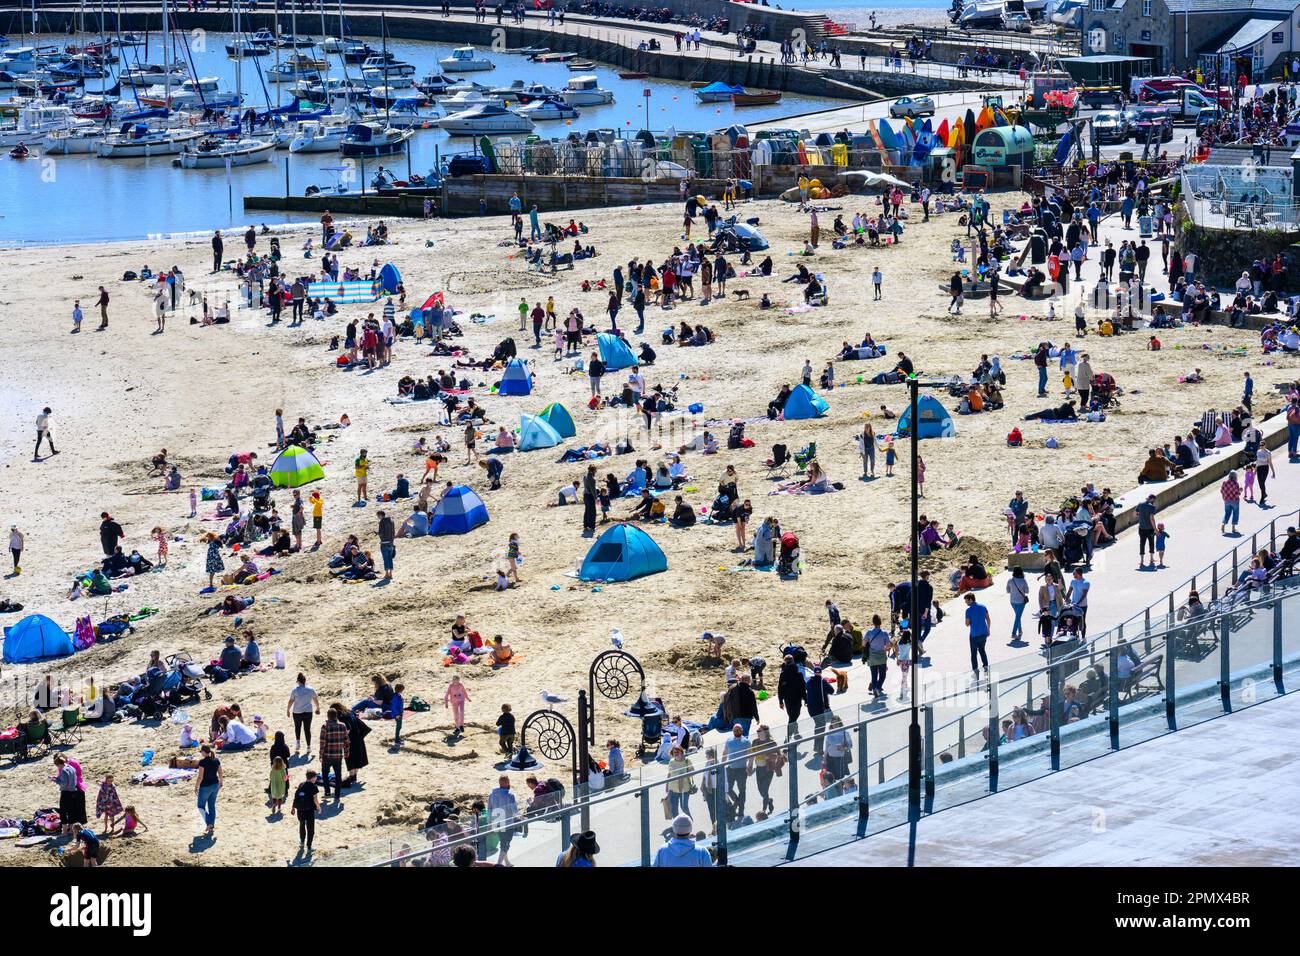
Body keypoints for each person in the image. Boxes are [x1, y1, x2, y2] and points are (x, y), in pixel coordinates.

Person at [318, 709, 350, 800]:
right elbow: (346, 741)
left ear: (328, 716)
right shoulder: (343, 726)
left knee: (325, 773)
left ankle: (327, 791)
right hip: (338, 755)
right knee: (338, 775)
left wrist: (320, 755)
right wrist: (346, 752)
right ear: (336, 716)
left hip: (327, 755)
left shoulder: (325, 726)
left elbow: (322, 742)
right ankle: (337, 794)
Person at [487, 775, 519, 865]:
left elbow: (489, 809)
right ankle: (498, 864)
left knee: (503, 843)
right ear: (507, 782)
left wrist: (489, 823)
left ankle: (507, 862)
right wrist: (520, 817)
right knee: (506, 844)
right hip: (507, 823)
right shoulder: (510, 795)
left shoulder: (492, 794)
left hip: (496, 822)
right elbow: (514, 811)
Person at [287, 672, 320, 755]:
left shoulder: (295, 690)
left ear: (298, 681)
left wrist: (288, 710)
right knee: (307, 729)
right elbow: (315, 699)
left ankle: (298, 743)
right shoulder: (311, 689)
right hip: (308, 712)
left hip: (297, 712)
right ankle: (308, 747)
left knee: (297, 727)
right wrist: (317, 708)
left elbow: (291, 701)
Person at [194, 744, 222, 837]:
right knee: (211, 806)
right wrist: (221, 781)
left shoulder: (202, 762)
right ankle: (211, 825)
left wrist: (196, 786)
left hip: (205, 787)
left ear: (203, 752)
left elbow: (200, 777)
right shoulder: (216, 760)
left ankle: (209, 823)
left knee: (200, 806)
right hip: (215, 785)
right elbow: (220, 772)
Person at [291, 770, 321, 853]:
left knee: (302, 825)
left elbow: (296, 796)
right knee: (310, 829)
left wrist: (293, 808)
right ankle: (309, 847)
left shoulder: (301, 784)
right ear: (312, 778)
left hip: (300, 810)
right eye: (315, 777)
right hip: (309, 810)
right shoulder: (314, 787)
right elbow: (315, 800)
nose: (316, 779)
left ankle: (301, 842)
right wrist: (319, 808)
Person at [964, 592, 990, 680]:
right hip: (984, 633)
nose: (965, 602)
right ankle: (986, 668)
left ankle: (975, 672)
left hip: (974, 635)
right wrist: (988, 629)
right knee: (982, 650)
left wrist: (971, 621)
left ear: (971, 600)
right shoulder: (983, 607)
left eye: (966, 600)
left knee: (974, 654)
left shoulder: (968, 610)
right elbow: (988, 618)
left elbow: (967, 624)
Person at [1007, 566, 1030, 644]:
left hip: (1012, 601)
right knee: (1018, 617)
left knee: (1017, 616)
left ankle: (1020, 631)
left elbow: (1007, 590)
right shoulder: (1023, 580)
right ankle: (1013, 633)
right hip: (1021, 602)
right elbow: (1027, 591)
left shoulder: (1010, 580)